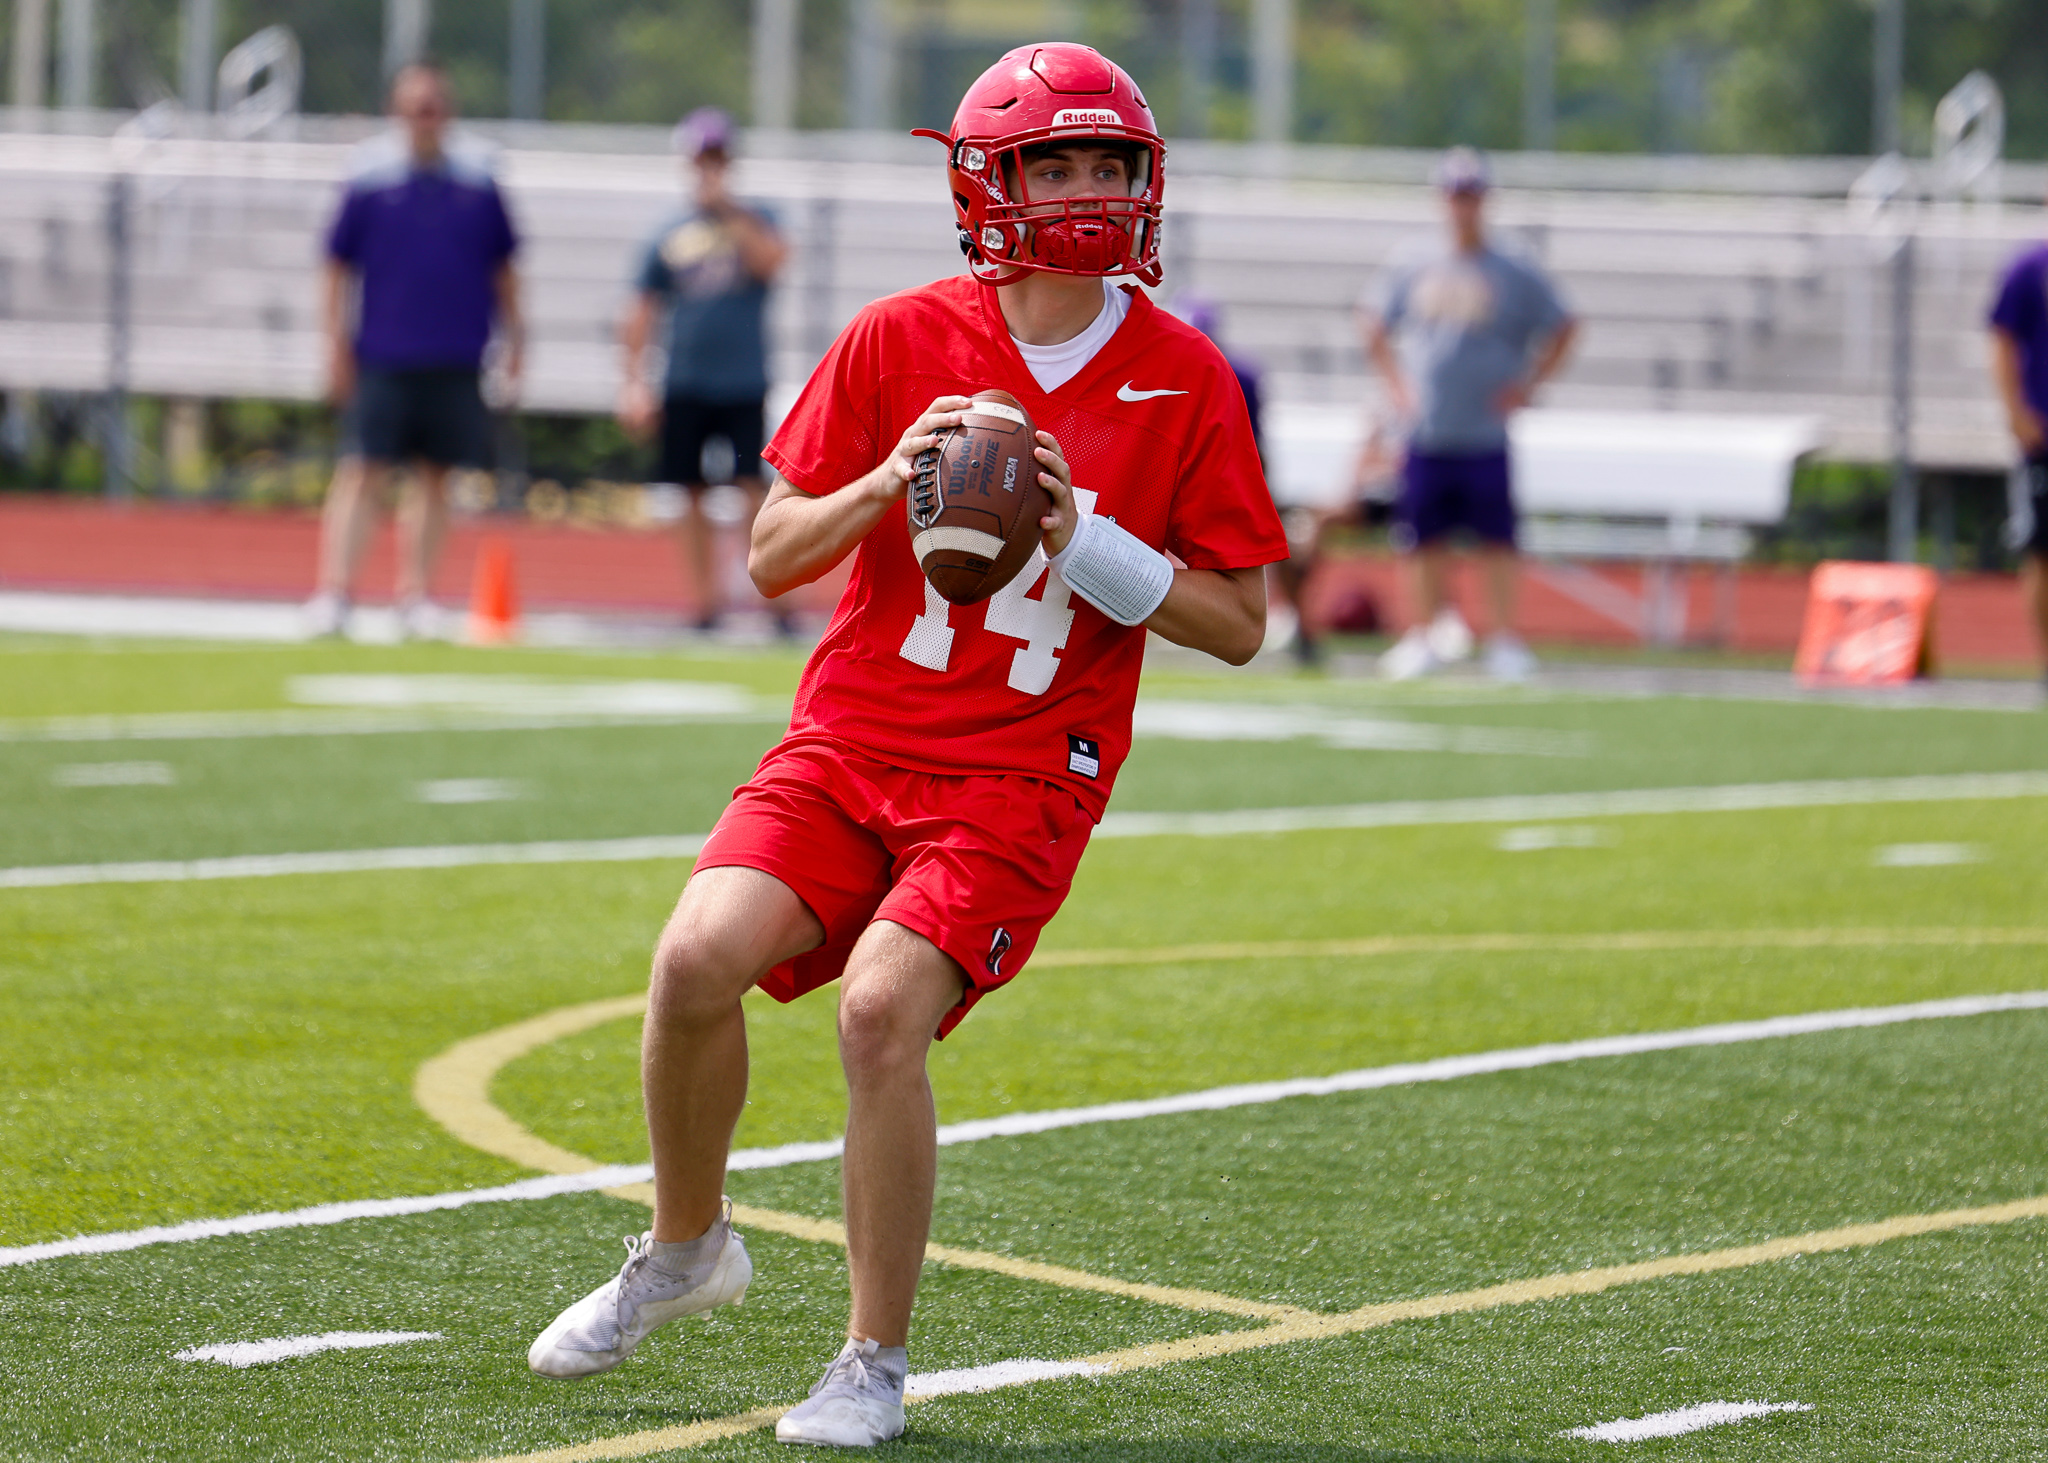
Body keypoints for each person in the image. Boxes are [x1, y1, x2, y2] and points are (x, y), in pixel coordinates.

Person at [526, 42, 1286, 1448]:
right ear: (990, 183)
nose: (1088, 190)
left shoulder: (1185, 378)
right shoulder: (896, 337)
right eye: (1053, 162)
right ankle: (687, 1246)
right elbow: (767, 553)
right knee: (694, 957)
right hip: (855, 732)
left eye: (1108, 163)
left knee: (880, 1009)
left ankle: (870, 1357)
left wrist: (1082, 536)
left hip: (1018, 764)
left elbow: (1238, 622)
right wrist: (893, 475)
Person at [304, 60, 523, 640]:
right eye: (415, 106)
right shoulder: (371, 178)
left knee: (435, 477)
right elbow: (335, 268)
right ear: (397, 112)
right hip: (384, 350)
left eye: (433, 106)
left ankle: (415, 596)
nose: (425, 117)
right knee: (362, 471)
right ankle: (334, 593)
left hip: (455, 350)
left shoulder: (478, 180)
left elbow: (504, 269)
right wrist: (334, 345)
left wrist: (517, 337)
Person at [1363, 146, 1576, 682]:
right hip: (1428, 427)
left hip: (1484, 430)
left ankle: (1503, 638)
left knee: (1497, 541)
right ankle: (1426, 634)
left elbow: (1564, 323)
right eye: (1456, 196)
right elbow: (1373, 323)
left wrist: (1527, 385)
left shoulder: (1512, 267)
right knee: (1420, 539)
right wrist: (1398, 389)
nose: (1463, 206)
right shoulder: (1415, 260)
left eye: (1472, 196)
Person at [620, 107, 791, 633]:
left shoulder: (756, 218)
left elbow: (773, 262)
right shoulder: (668, 231)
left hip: (742, 380)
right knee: (689, 490)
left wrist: (730, 214)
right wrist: (634, 382)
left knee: (749, 488)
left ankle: (771, 598)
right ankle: (705, 602)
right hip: (685, 381)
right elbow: (641, 309)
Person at [1988, 236, 2048, 691]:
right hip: (2043, 438)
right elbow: (2003, 339)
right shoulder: (2031, 268)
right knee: (2041, 552)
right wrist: (2015, 413)